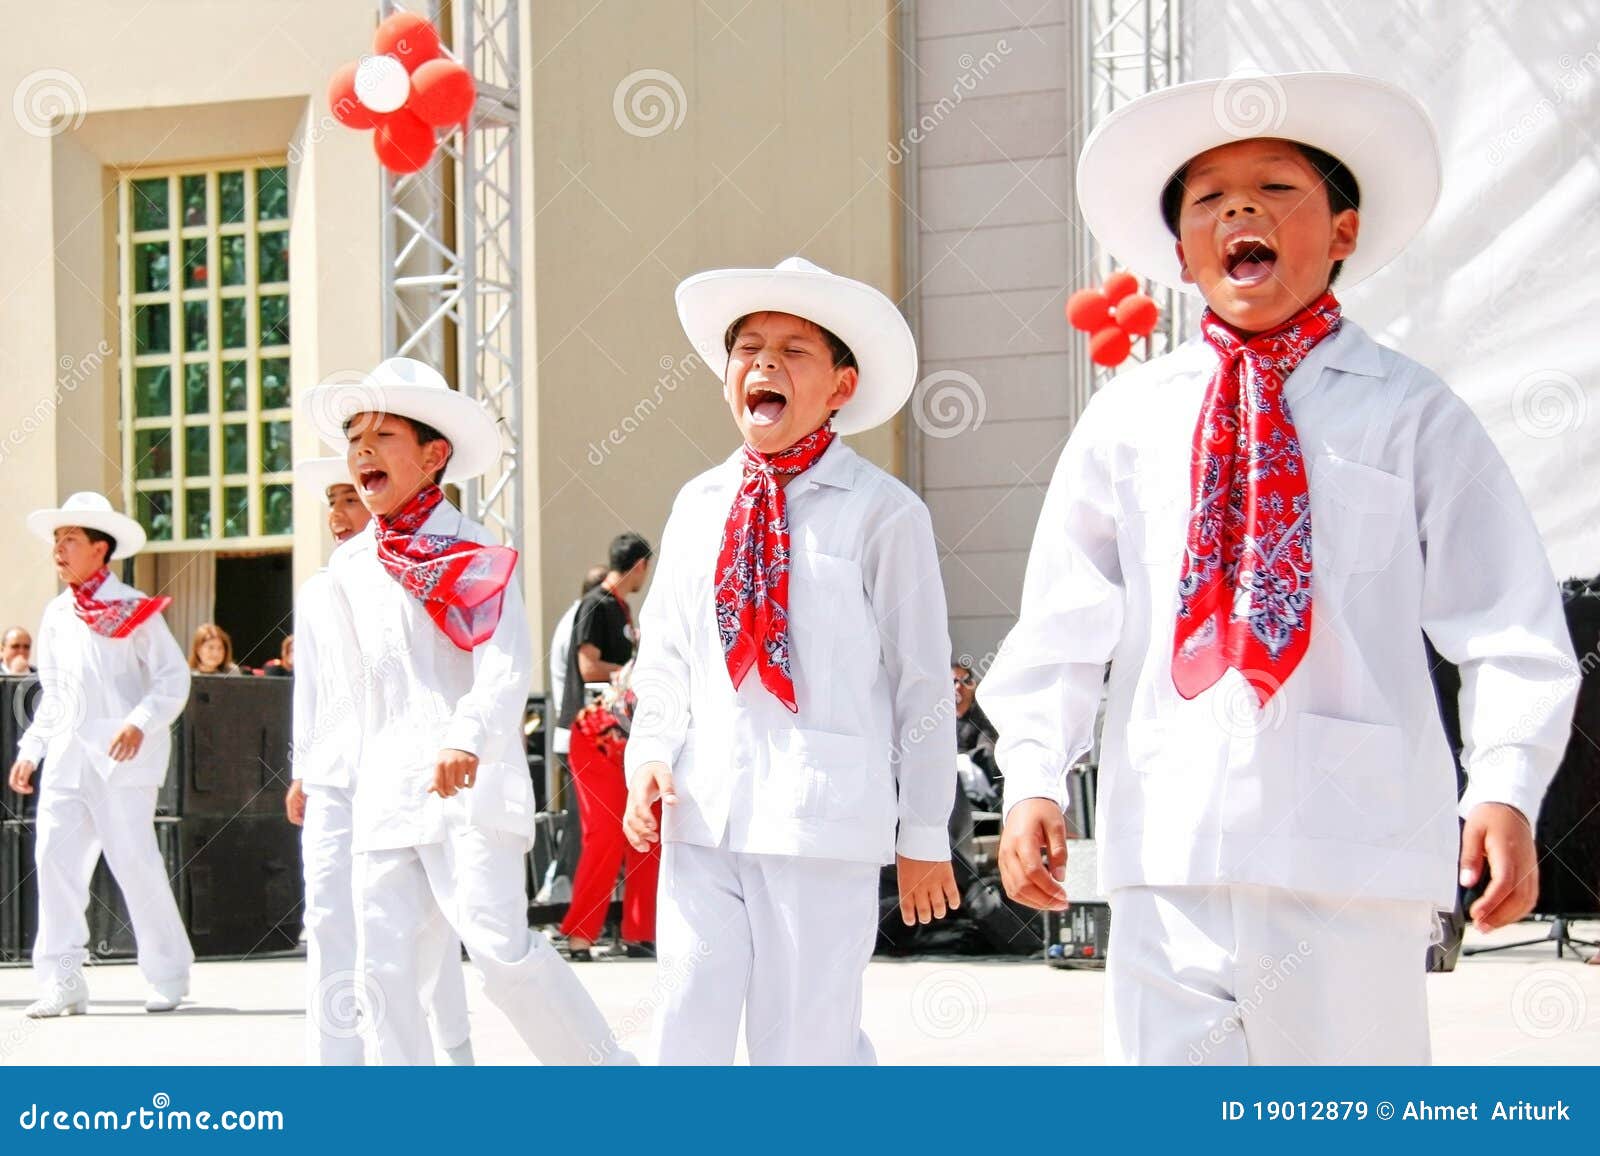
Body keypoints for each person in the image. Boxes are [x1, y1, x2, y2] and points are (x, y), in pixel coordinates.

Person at [979, 73, 1580, 1064]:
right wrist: (1035, 771)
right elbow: (1063, 620)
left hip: (1348, 855)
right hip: (1165, 850)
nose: (1239, 212)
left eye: (1275, 189)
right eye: (1209, 199)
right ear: (1181, 252)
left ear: (1343, 231)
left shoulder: (1409, 412)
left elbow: (1505, 616)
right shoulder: (1129, 420)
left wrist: (1506, 784)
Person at [621, 256, 958, 1064]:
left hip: (819, 822)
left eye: (793, 350)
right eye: (749, 349)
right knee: (685, 1025)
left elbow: (922, 682)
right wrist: (651, 753)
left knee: (807, 1043)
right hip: (703, 808)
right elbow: (665, 652)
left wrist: (923, 831)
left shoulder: (883, 513)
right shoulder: (699, 505)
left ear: (842, 386)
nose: (764, 364)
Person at [303, 356, 630, 1065]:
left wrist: (467, 737)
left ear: (433, 456)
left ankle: (608, 1080)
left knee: (497, 949)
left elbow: (505, 662)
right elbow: (353, 691)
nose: (362, 451)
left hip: (470, 788)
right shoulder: (349, 570)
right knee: (383, 970)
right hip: (385, 794)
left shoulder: (477, 550)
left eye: (382, 436)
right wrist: (336, 780)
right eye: (354, 439)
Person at [283, 456, 474, 1066]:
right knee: (327, 914)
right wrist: (303, 767)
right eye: (332, 503)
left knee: (425, 925)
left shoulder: (417, 567)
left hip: (403, 773)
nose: (340, 515)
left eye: (350, 499)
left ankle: (454, 1048)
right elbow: (310, 687)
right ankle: (337, 1066)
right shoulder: (320, 587)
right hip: (335, 776)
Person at [9, 491, 194, 1016]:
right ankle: (62, 981)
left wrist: (140, 722)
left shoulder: (135, 608)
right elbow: (54, 691)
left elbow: (172, 678)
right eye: (56, 539)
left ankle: (168, 974)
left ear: (100, 548)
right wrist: (32, 749)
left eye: (70, 539)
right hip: (67, 760)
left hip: (122, 761)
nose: (59, 549)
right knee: (54, 863)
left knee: (135, 863)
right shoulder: (56, 613)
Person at [558, 658, 659, 960]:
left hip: (651, 748)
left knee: (650, 834)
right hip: (599, 739)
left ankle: (641, 933)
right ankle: (581, 934)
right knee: (606, 837)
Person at [558, 534, 651, 732]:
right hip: (584, 731)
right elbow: (589, 668)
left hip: (608, 728)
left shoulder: (620, 605)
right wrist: (630, 674)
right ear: (640, 565)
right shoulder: (595, 604)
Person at [548, 565, 608, 763]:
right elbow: (589, 669)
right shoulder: (583, 621)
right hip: (576, 731)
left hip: (575, 731)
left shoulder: (576, 617)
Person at [952, 660, 1001, 811]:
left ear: (972, 686)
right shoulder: (938, 720)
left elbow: (986, 749)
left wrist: (962, 760)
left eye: (965, 681)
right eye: (954, 682)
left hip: (976, 797)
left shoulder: (983, 717)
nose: (959, 687)